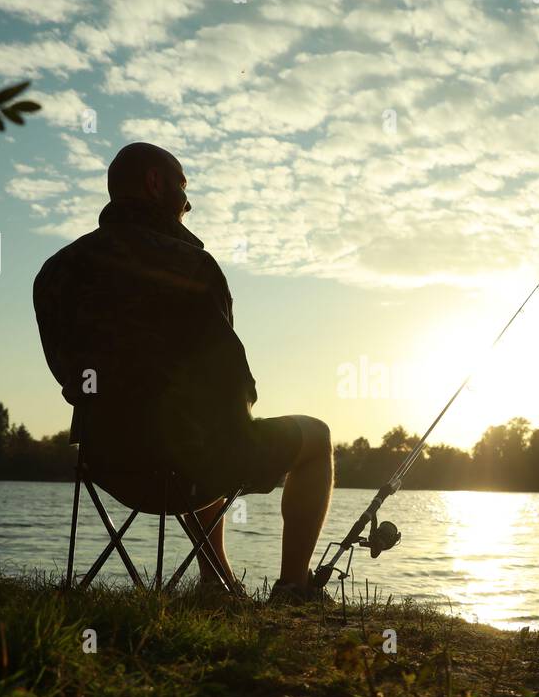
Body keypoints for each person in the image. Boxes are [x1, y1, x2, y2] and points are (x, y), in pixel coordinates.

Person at [33, 142, 332, 603]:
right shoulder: (192, 266)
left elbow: (66, 375)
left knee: (196, 425)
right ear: (155, 183)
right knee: (313, 436)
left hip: (109, 464)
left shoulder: (56, 271)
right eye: (182, 186)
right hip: (191, 464)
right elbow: (231, 386)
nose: (188, 203)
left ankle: (218, 581)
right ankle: (294, 588)